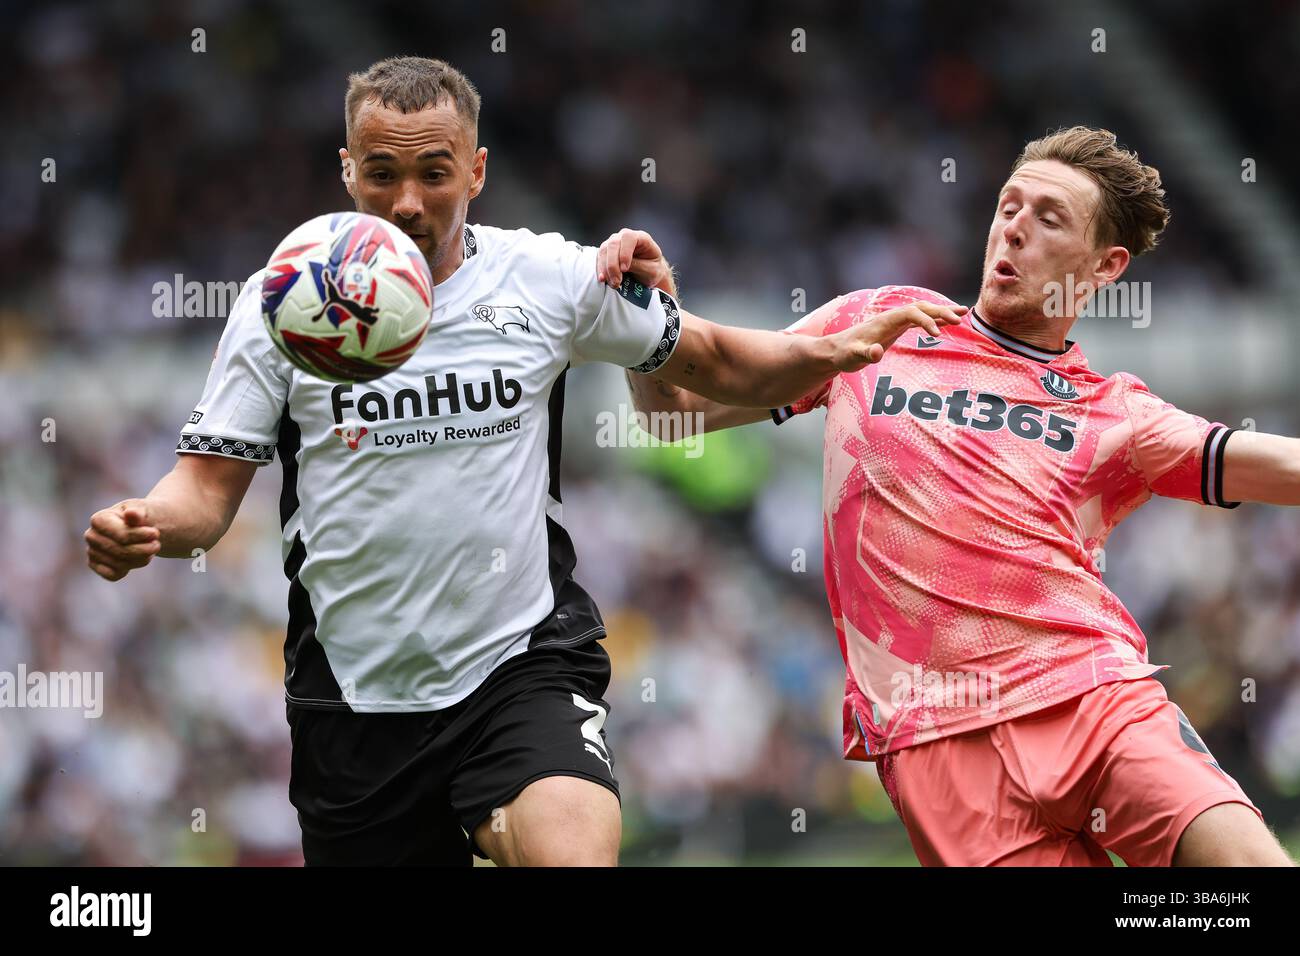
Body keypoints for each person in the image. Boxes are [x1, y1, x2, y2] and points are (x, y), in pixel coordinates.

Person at [82, 56, 956, 867]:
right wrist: (145, 525)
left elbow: (715, 364)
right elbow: (202, 494)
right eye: (382, 173)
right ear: (347, 169)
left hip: (521, 665)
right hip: (354, 702)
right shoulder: (285, 300)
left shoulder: (547, 279)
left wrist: (839, 349)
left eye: (435, 172)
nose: (409, 201)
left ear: (477, 172)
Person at [605, 126, 1298, 866]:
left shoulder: (1117, 413)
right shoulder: (878, 327)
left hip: (1092, 701)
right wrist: (646, 316)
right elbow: (673, 411)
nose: (1017, 227)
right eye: (1010, 206)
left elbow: (1271, 462)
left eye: (1050, 217)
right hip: (938, 746)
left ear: (1105, 266)